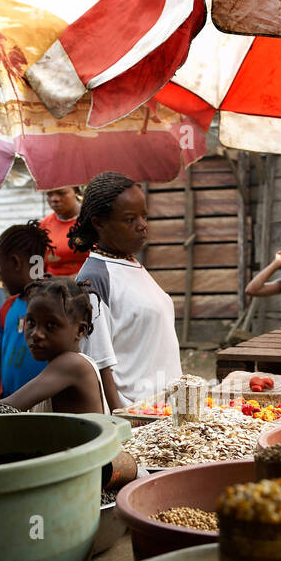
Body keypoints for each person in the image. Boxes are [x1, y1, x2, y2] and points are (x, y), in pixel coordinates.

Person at [72, 172, 182, 411]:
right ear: (99, 223)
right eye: (130, 219)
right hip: (138, 415)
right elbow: (98, 365)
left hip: (164, 410)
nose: (142, 225)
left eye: (144, 216)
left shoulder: (131, 264)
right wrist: (122, 421)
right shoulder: (94, 279)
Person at [0, 279, 106, 413]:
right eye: (31, 322)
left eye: (51, 325)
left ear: (80, 331)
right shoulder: (61, 365)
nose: (36, 334)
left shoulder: (72, 364)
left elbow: (7, 406)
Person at [0, 222, 51, 400]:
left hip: (48, 412)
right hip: (9, 410)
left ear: (15, 262)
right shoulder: (7, 308)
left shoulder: (58, 306)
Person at [39, 186, 87, 278]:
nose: (54, 199)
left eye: (61, 193)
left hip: (88, 284)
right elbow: (38, 263)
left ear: (76, 191)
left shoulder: (93, 221)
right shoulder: (44, 225)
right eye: (49, 194)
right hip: (52, 286)